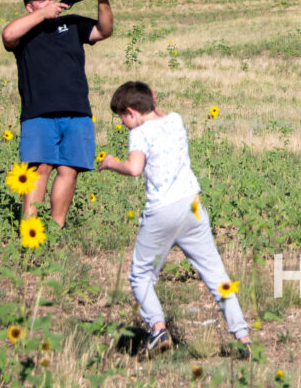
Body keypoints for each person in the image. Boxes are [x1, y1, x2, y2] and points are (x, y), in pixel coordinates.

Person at [99, 81, 252, 358]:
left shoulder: (140, 134)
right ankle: (242, 336)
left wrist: (111, 163)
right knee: (216, 274)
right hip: (192, 205)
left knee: (140, 274)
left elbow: (134, 169)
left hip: (163, 211)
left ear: (132, 112)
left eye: (122, 117)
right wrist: (151, 100)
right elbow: (156, 109)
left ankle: (158, 328)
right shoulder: (175, 120)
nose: (122, 124)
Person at [1, 0, 115, 227]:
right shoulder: (25, 30)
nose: (49, 2)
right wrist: (42, 15)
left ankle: (55, 229)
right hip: (38, 112)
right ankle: (30, 229)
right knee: (38, 169)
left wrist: (103, 1)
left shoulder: (70, 23)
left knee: (69, 170)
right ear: (29, 7)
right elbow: (8, 35)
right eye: (42, 0)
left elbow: (103, 31)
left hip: (77, 110)